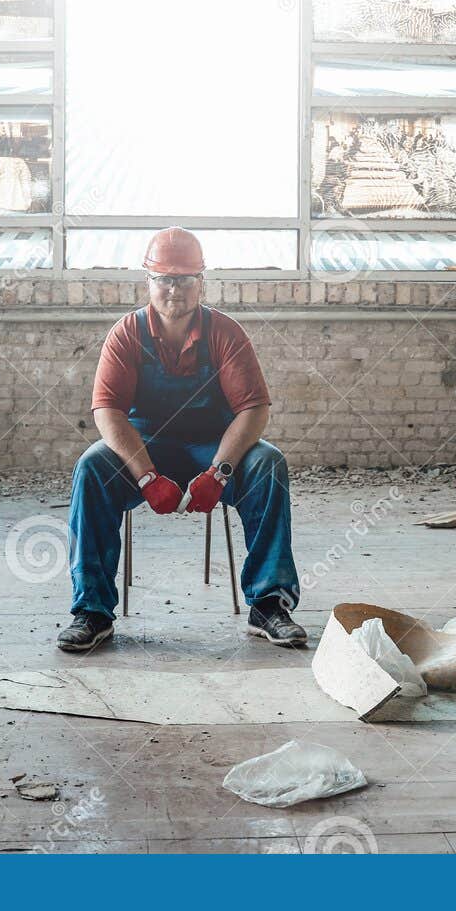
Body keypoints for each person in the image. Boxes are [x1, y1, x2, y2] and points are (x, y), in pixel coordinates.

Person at [58, 228, 305, 653]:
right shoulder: (127, 334)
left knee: (268, 463)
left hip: (213, 446)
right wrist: (146, 477)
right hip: (146, 448)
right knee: (92, 466)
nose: (175, 289)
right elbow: (108, 412)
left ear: (201, 282)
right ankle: (92, 611)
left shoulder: (225, 333)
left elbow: (253, 410)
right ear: (148, 281)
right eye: (165, 279)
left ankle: (269, 606)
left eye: (185, 279)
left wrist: (220, 472)